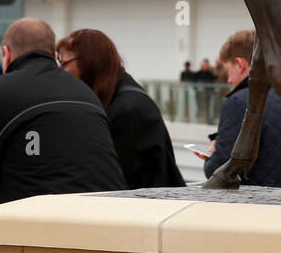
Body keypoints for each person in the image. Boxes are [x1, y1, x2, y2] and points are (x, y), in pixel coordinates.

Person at [0, 19, 126, 206]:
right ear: (54, 54)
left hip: (38, 225)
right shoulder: (86, 94)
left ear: (6, 54)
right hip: (105, 217)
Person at [57, 29, 185, 189]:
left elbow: (111, 174)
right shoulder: (118, 96)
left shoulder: (129, 107)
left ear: (89, 61)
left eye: (64, 64)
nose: (61, 72)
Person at [203, 30, 281, 188]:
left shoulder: (239, 102)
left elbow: (220, 172)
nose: (229, 79)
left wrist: (212, 156)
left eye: (228, 70)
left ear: (240, 64)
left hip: (262, 206)